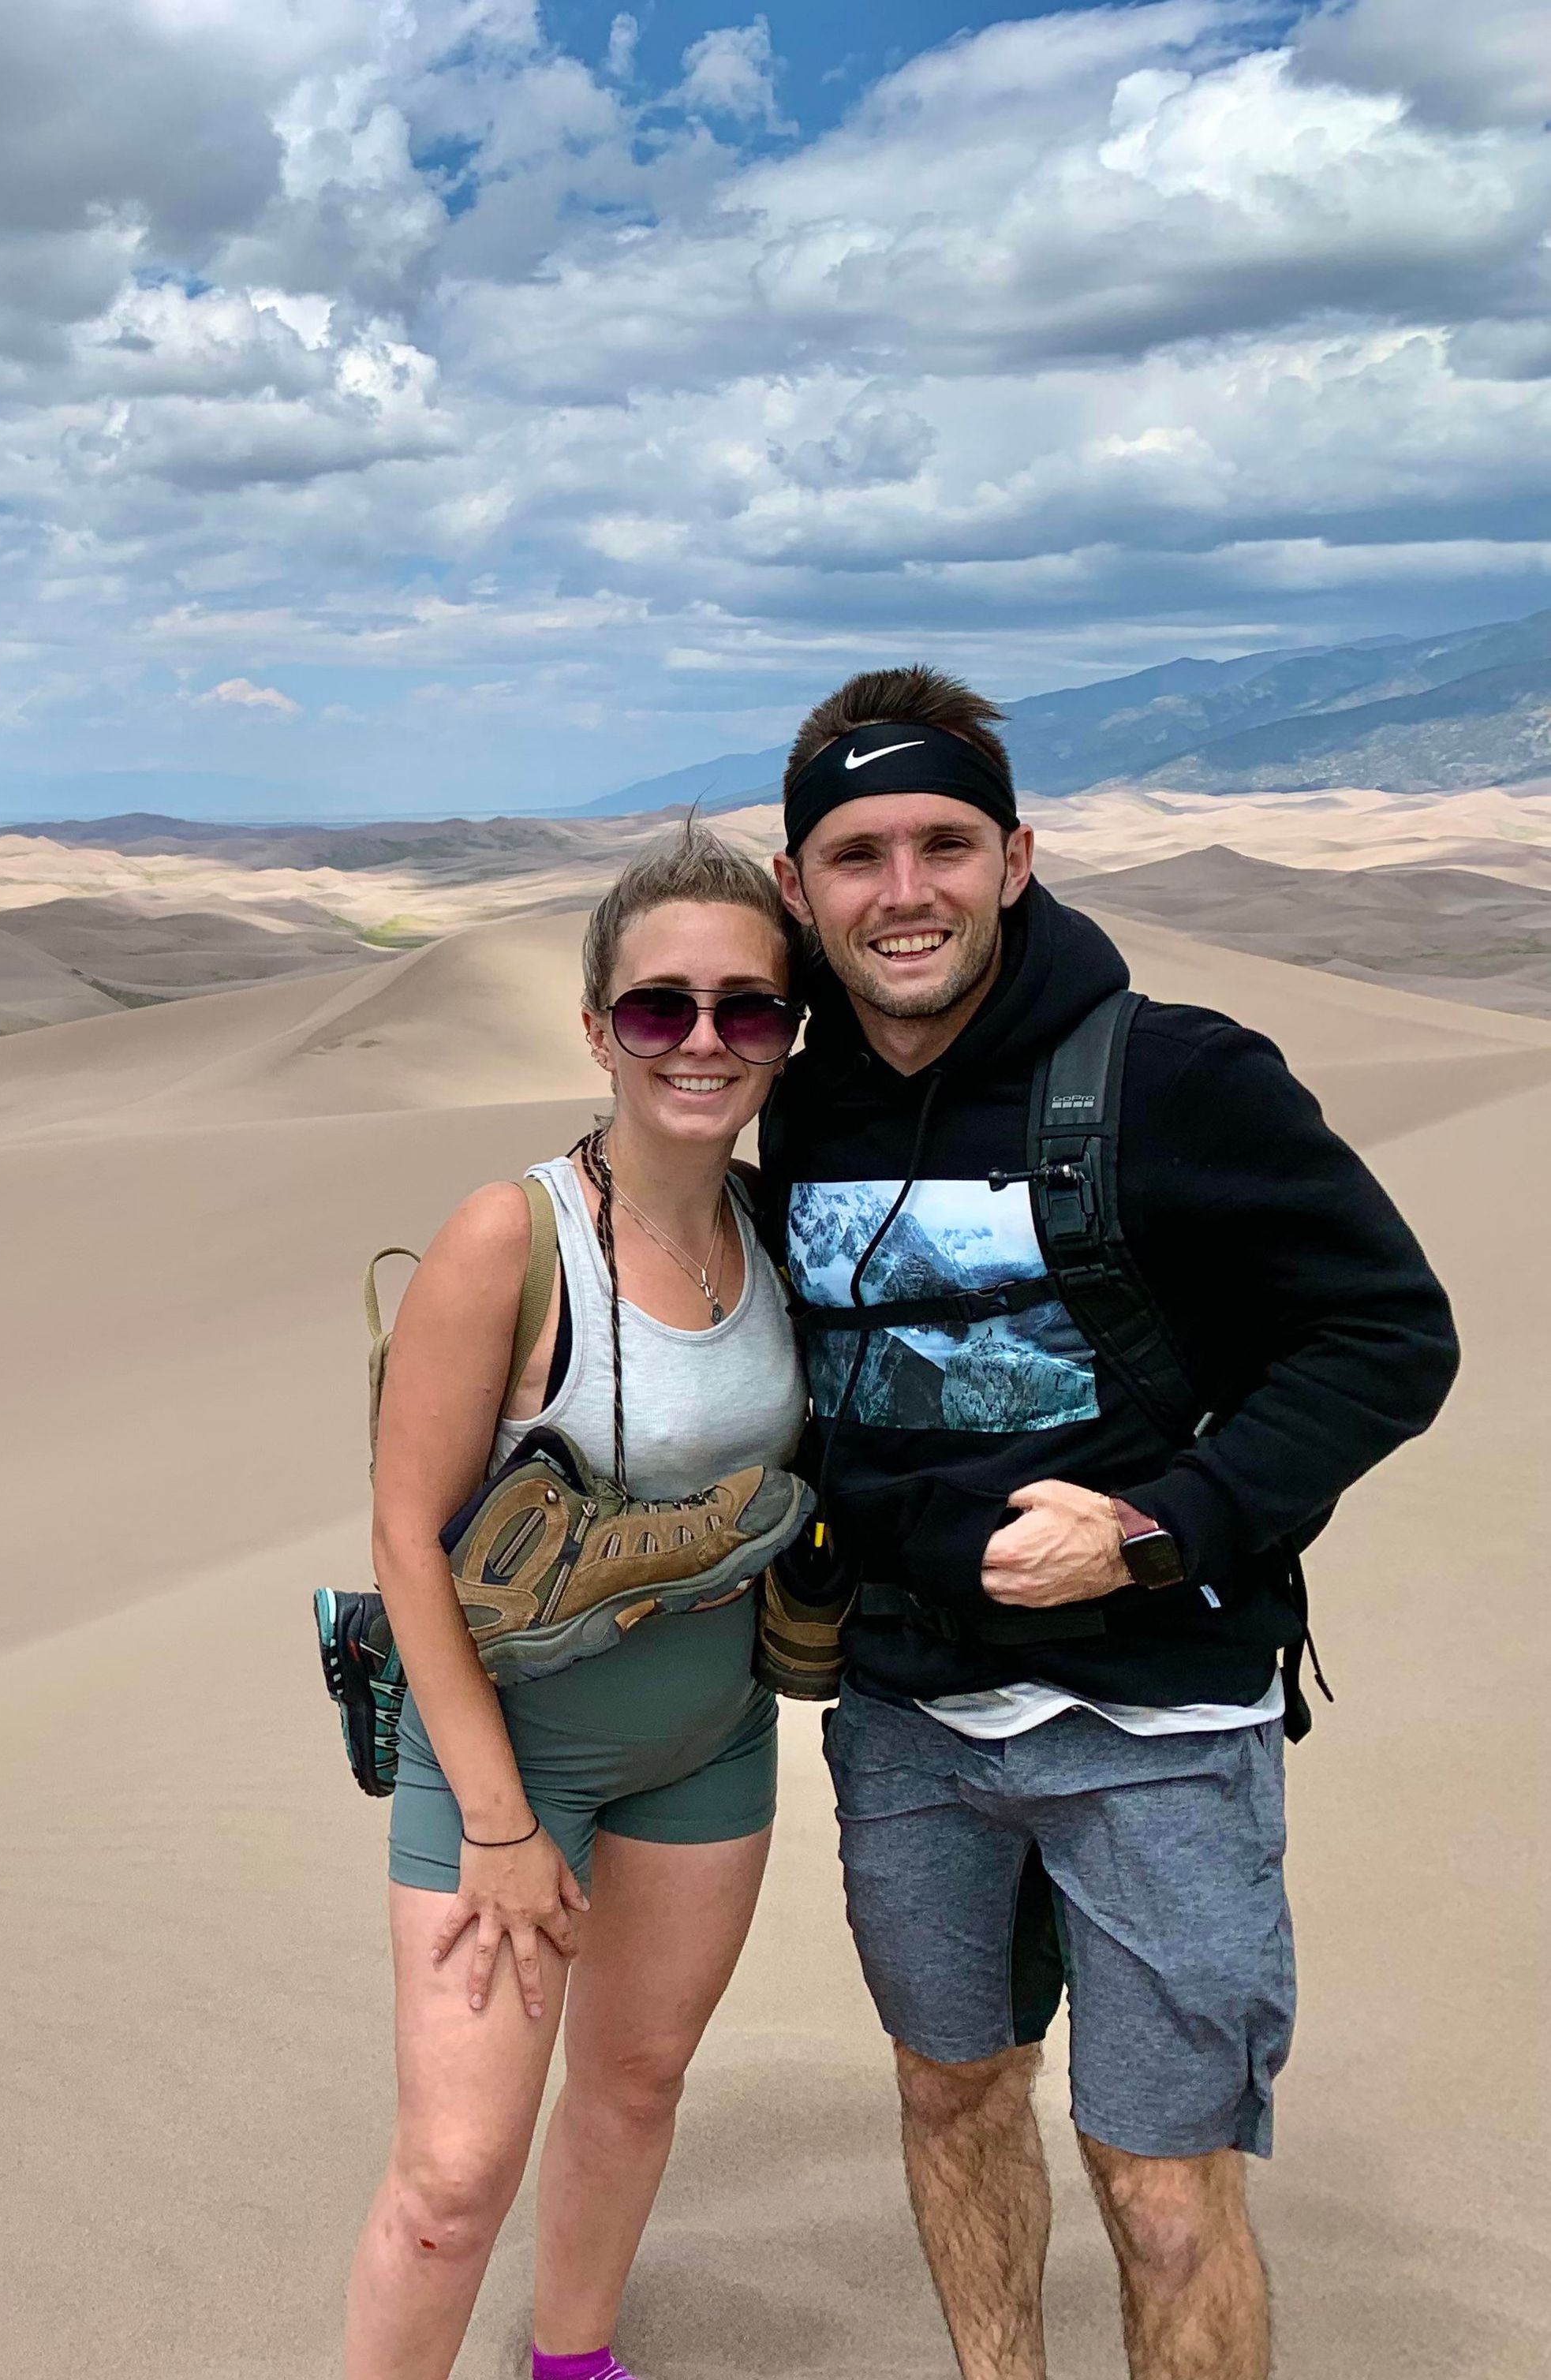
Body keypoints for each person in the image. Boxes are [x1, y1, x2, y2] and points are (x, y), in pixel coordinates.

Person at [757, 668, 1459, 2380]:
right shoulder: (793, 1103)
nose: (899, 890)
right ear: (797, 890)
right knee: (947, 2102)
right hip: (906, 1721)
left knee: (1157, 2185)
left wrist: (1158, 1525)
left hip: (1153, 1723)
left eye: (939, 843)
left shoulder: (1180, 1081)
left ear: (1013, 857)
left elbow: (1385, 1337)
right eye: (855, 853)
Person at [342, 821, 808, 2380]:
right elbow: (406, 1540)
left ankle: (572, 2364)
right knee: (450, 2181)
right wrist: (494, 1821)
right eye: (655, 1007)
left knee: (635, 2083)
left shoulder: (775, 1229)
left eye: (743, 1008)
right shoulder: (510, 1234)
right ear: (595, 1025)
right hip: (507, 1762)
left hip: (711, 1744)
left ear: (785, 1033)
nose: (698, 1041)